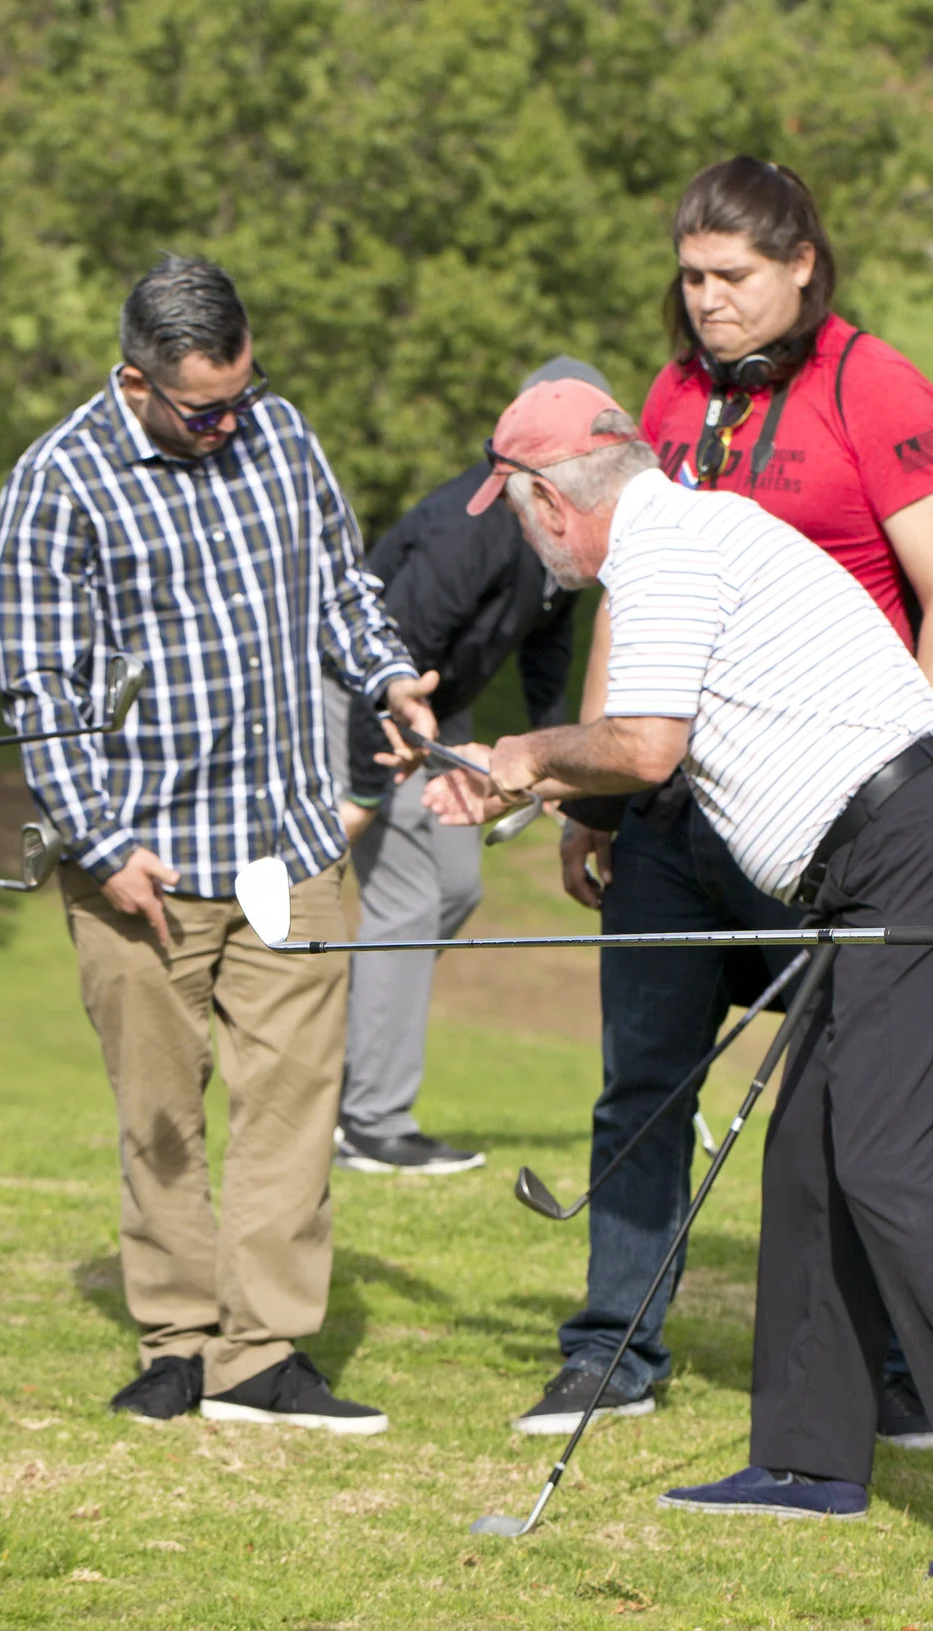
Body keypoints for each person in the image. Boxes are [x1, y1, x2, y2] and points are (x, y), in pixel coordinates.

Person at [434, 379, 933, 1588]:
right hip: (862, 866)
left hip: (910, 850)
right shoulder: (679, 532)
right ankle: (806, 1456)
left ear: (546, 500)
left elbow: (644, 747)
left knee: (896, 1167)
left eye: (517, 511)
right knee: (808, 1157)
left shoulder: (669, 545)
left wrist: (523, 754)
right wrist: (528, 777)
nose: (522, 534)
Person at [521, 155, 933, 1445]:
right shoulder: (667, 396)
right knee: (643, 1079)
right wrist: (592, 806)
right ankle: (613, 1343)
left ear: (801, 268)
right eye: (690, 276)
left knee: (855, 1099)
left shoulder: (874, 386)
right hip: (677, 810)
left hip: (832, 809)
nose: (708, 300)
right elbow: (632, 586)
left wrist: (921, 788)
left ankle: (889, 1370)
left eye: (732, 276)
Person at [0, 252, 436, 1434]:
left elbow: (343, 587)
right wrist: (98, 840)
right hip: (145, 862)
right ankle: (178, 1338)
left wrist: (389, 678)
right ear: (135, 379)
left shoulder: (278, 434)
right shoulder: (58, 484)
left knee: (293, 1106)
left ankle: (261, 1353)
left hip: (288, 838)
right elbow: (40, 688)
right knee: (161, 1113)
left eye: (241, 392)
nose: (229, 420)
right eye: (205, 407)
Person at [321, 355, 596, 1176]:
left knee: (455, 887)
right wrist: (375, 783)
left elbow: (547, 646)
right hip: (365, 699)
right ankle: (370, 1122)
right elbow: (390, 649)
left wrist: (553, 766)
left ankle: (342, 1087)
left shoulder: (560, 524)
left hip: (442, 705)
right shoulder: (475, 523)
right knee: (407, 897)